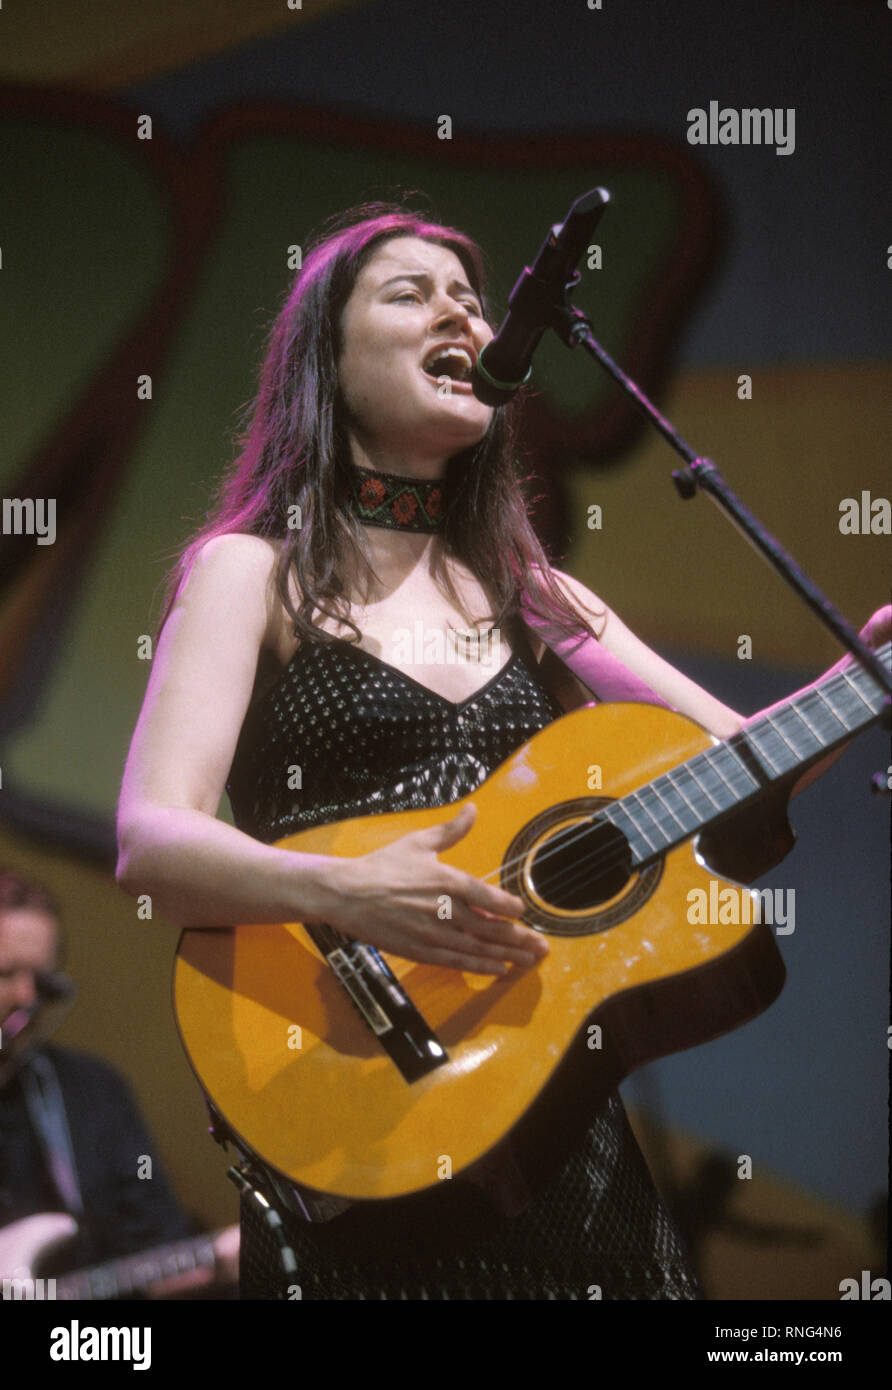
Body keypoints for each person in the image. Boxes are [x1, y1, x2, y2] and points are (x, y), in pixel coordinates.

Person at [114, 201, 890, 1300]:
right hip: (356, 1106)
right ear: (326, 366)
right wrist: (346, 889)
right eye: (411, 292)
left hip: (553, 1127)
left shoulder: (540, 594)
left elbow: (736, 758)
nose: (461, 313)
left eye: (470, 300)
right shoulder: (251, 572)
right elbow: (151, 839)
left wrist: (855, 683)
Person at [0, 868, 238, 1295]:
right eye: (5, 974)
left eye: (43, 980)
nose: (27, 999)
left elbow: (156, 1244)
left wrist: (220, 1260)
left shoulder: (93, 1092)